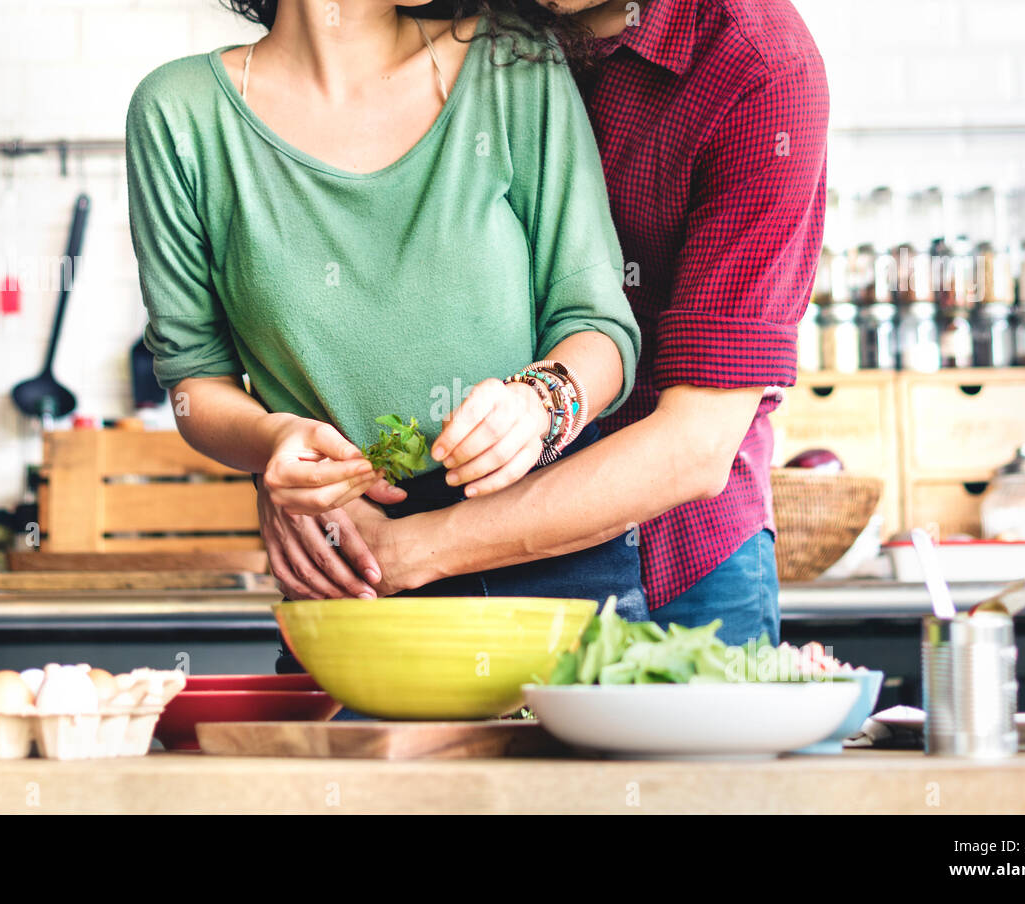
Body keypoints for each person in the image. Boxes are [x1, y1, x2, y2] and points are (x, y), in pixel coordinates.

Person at [257, 0, 829, 646]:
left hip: (676, 558)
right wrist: (287, 469)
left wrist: (403, 551)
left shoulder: (758, 65)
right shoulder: (445, 13)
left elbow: (694, 447)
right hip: (410, 532)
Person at [125, 0, 646, 615]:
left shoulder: (510, 59)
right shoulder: (178, 113)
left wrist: (541, 403)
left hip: (550, 561)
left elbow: (598, 324)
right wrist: (275, 442)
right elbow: (196, 383)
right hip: (350, 574)